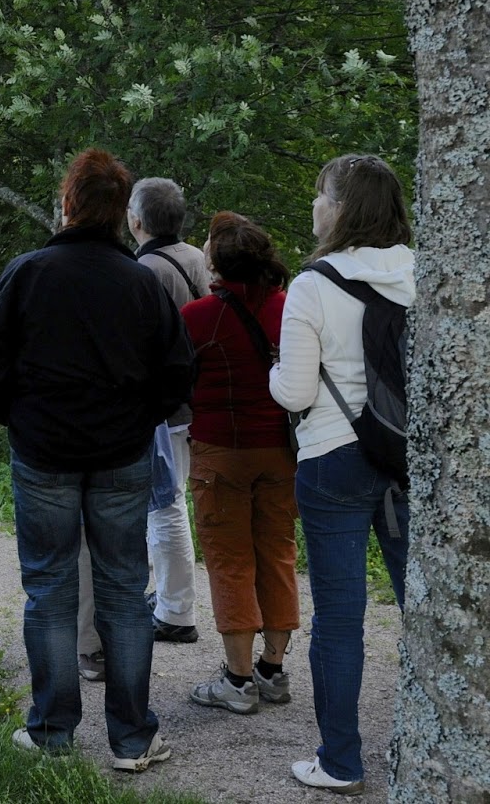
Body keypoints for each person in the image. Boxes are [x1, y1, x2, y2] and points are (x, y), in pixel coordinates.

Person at [0, 149, 192, 771]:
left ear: (68, 203)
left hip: (45, 453)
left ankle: (52, 731)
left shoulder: (30, 272)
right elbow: (177, 373)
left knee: (49, 590)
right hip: (121, 455)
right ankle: (131, 738)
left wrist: (18, 416)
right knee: (124, 593)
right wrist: (136, 417)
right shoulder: (142, 284)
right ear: (122, 213)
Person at [270, 154, 413, 795]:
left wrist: (273, 375)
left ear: (344, 208)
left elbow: (295, 389)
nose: (314, 206)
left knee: (339, 618)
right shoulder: (423, 272)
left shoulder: (313, 284)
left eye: (322, 195)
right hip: (412, 460)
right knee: (426, 605)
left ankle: (341, 762)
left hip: (333, 457)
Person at [182, 212, 299, 716]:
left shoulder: (198, 317)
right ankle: (273, 670)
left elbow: (174, 382)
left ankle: (238, 680)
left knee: (230, 560)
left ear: (218, 263)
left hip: (220, 453)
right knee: (278, 552)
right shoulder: (288, 308)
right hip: (281, 450)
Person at [128, 177, 205, 645]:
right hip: (197, 404)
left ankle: (176, 609)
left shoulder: (145, 270)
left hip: (165, 409)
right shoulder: (198, 258)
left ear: (136, 221)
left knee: (165, 504)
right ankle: (167, 599)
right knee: (169, 502)